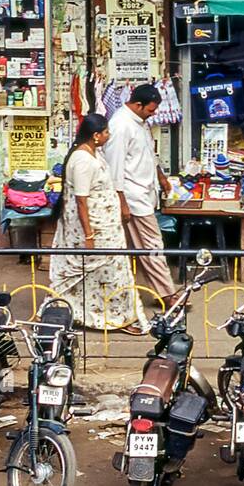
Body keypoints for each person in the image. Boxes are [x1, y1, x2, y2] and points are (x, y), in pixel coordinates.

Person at [49, 114, 148, 334]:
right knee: (109, 271)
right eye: (105, 132)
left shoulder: (94, 154)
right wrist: (89, 235)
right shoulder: (83, 160)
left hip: (106, 226)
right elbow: (81, 201)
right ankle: (112, 317)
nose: (108, 135)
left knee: (110, 270)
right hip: (94, 228)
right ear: (95, 136)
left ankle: (111, 315)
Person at [102, 83, 178, 307]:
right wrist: (123, 203)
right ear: (137, 104)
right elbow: (114, 168)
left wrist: (161, 177)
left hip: (145, 192)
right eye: (150, 110)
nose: (153, 114)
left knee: (138, 247)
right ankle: (167, 293)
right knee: (152, 245)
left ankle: (146, 291)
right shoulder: (120, 125)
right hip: (133, 197)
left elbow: (148, 155)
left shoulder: (140, 123)